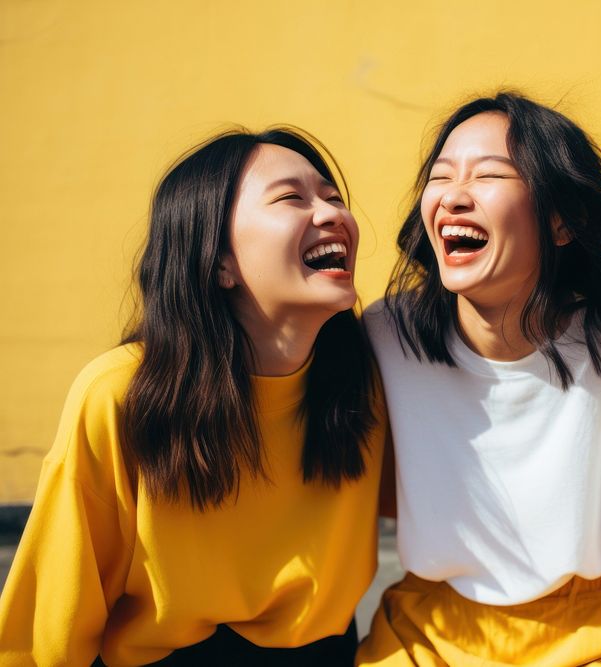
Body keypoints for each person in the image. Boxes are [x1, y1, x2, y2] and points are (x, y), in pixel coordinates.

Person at [0, 128, 384, 665]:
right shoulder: (120, 395)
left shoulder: (369, 381)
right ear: (218, 261)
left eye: (332, 195)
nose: (330, 213)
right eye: (292, 198)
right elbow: (48, 631)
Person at [357, 92, 601, 666]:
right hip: (424, 637)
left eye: (489, 175)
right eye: (440, 177)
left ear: (562, 220)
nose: (454, 196)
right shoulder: (389, 335)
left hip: (592, 637)